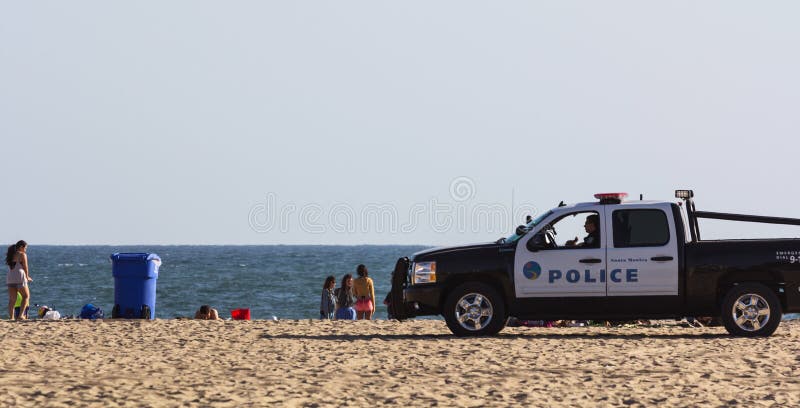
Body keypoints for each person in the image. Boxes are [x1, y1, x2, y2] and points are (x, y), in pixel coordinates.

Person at [6, 240, 31, 320]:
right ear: (21, 247)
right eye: (25, 248)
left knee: (12, 299)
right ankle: (20, 315)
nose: (25, 250)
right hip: (19, 276)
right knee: (26, 296)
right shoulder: (22, 254)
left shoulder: (11, 254)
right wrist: (27, 277)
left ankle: (11, 317)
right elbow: (25, 267)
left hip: (10, 276)